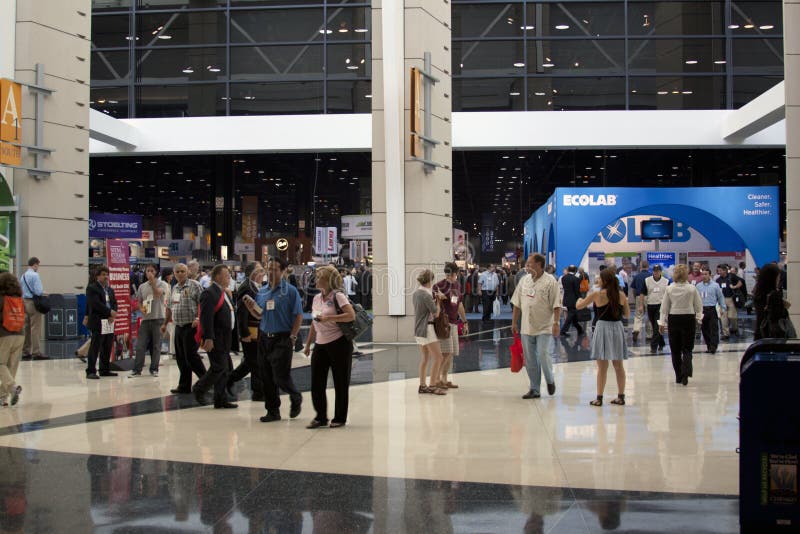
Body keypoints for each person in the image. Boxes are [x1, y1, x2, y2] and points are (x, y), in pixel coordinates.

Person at [249, 257, 303, 422]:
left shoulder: (290, 291)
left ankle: (295, 396)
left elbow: (298, 315)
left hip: (282, 338)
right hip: (264, 337)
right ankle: (273, 411)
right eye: (269, 269)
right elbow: (259, 314)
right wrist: (251, 308)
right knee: (266, 376)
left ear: (283, 271)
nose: (271, 272)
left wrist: (293, 336)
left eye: (275, 269)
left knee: (280, 376)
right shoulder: (263, 291)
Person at [304, 265, 356, 429]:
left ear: (327, 280)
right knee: (316, 382)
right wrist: (308, 344)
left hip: (339, 343)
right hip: (320, 344)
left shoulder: (338, 296)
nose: (316, 279)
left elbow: (350, 315)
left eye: (319, 277)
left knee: (340, 381)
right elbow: (314, 322)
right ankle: (320, 416)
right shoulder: (316, 298)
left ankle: (339, 417)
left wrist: (330, 318)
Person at [577, 268, 629, 406]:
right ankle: (621, 396)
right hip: (617, 328)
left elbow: (579, 306)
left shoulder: (597, 294)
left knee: (602, 367)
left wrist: (578, 299)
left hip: (602, 328)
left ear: (604, 280)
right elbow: (627, 314)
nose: (597, 280)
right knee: (618, 366)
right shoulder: (621, 295)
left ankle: (599, 398)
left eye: (599, 278)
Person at [511, 254, 560, 399]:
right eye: (527, 264)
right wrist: (514, 322)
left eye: (530, 264)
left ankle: (550, 380)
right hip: (526, 327)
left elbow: (557, 304)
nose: (527, 267)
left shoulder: (550, 282)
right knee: (530, 358)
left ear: (539, 265)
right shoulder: (524, 281)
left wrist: (556, 323)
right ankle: (534, 388)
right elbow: (517, 303)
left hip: (545, 326)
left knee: (543, 354)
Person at [192, 265, 237, 409]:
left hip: (225, 337)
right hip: (216, 337)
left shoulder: (222, 292)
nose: (229, 278)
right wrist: (209, 338)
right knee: (218, 367)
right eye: (226, 275)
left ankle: (220, 398)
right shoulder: (209, 293)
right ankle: (199, 388)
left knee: (224, 369)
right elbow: (206, 318)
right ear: (217, 276)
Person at [165, 263, 206, 394]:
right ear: (174, 273)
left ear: (187, 272)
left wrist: (198, 319)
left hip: (191, 326)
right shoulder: (175, 288)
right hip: (178, 326)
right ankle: (184, 385)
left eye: (183, 271)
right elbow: (170, 307)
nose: (180, 274)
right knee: (181, 357)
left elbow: (203, 304)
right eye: (178, 272)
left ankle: (206, 381)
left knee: (191, 356)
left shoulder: (195, 285)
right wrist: (165, 323)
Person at [226, 262, 265, 401]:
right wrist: (244, 333)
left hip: (256, 329)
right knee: (253, 361)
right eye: (260, 271)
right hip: (250, 330)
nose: (263, 273)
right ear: (253, 273)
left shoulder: (255, 287)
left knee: (252, 361)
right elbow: (242, 312)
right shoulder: (247, 288)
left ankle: (229, 380)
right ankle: (257, 391)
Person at [659, 264, 703, 386]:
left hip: (674, 319)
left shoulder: (670, 288)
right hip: (688, 318)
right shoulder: (692, 288)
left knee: (675, 350)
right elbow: (698, 305)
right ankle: (686, 370)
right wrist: (699, 318)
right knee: (688, 348)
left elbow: (664, 308)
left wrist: (662, 322)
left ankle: (679, 375)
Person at [131, 264, 170, 377]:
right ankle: (137, 369)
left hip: (158, 318)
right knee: (140, 345)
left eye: (151, 271)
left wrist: (153, 282)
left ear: (156, 272)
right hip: (146, 319)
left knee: (156, 345)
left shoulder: (163, 284)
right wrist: (141, 308)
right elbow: (139, 300)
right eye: (147, 270)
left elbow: (158, 294)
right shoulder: (142, 286)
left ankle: (154, 369)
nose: (149, 273)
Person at [433, 262, 468, 389]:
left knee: (450, 353)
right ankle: (436, 379)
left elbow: (459, 304)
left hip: (454, 322)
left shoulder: (457, 285)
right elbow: (433, 306)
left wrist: (464, 321)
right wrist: (439, 298)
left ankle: (444, 379)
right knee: (446, 353)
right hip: (444, 324)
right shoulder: (438, 286)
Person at [413, 269, 446, 395]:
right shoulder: (426, 295)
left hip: (418, 329)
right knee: (438, 357)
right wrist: (438, 300)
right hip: (427, 329)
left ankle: (422, 385)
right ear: (430, 280)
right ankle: (432, 385)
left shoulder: (416, 293)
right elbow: (436, 313)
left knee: (425, 358)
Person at [85, 266, 119, 380]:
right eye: (103, 274)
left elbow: (114, 303)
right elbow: (95, 304)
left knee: (107, 346)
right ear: (97, 276)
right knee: (95, 346)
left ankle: (104, 369)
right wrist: (109, 312)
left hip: (109, 321)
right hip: (98, 321)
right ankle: (90, 370)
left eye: (107, 274)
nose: (106, 277)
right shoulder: (92, 288)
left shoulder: (110, 289)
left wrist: (112, 314)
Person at [0, 273, 25, 405]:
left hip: (5, 334)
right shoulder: (19, 299)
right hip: (20, 334)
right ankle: (3, 398)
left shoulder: (2, 298)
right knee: (12, 366)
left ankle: (12, 388)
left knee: (1, 364)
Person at [752, 263, 792, 340]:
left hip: (761, 332)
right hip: (774, 335)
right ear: (772, 278)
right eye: (778, 277)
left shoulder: (758, 293)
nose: (779, 279)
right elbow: (779, 315)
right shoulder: (774, 294)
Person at [20, 257, 47, 361]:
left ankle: (25, 351)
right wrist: (44, 292)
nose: (38, 268)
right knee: (35, 328)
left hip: (24, 302)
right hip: (33, 303)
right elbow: (38, 291)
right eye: (38, 265)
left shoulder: (23, 276)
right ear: (35, 264)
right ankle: (36, 352)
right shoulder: (35, 275)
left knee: (26, 328)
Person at [697, 268, 726, 354]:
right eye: (703, 274)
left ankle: (714, 346)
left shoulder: (715, 285)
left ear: (710, 275)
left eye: (706, 274)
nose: (704, 276)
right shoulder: (698, 286)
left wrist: (723, 307)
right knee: (704, 329)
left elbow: (720, 297)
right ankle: (709, 345)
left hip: (712, 309)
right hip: (702, 310)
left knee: (713, 329)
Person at [643, 265, 668, 353]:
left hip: (661, 306)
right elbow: (643, 293)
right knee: (654, 326)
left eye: (658, 271)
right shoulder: (647, 280)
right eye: (655, 271)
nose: (656, 272)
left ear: (661, 271)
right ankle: (661, 343)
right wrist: (641, 305)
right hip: (650, 305)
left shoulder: (666, 281)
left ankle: (653, 346)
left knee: (658, 325)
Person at [715, 264, 742, 339]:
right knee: (723, 318)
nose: (719, 272)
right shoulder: (718, 280)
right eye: (718, 271)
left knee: (732, 316)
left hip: (731, 299)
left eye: (720, 270)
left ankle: (735, 328)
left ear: (724, 270)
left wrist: (734, 286)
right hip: (722, 300)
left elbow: (740, 283)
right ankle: (726, 333)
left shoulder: (731, 276)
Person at [630, 260, 652, 343]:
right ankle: (649, 335)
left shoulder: (637, 276)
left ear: (640, 266)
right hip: (649, 297)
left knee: (638, 315)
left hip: (639, 296)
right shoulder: (651, 276)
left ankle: (636, 330)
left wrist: (636, 297)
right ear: (648, 266)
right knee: (650, 316)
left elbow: (633, 289)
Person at [560, 265, 584, 337]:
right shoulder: (576, 279)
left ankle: (580, 330)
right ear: (575, 270)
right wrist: (580, 299)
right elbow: (577, 291)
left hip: (566, 299)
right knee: (570, 315)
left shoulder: (563, 278)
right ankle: (563, 331)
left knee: (573, 315)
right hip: (573, 300)